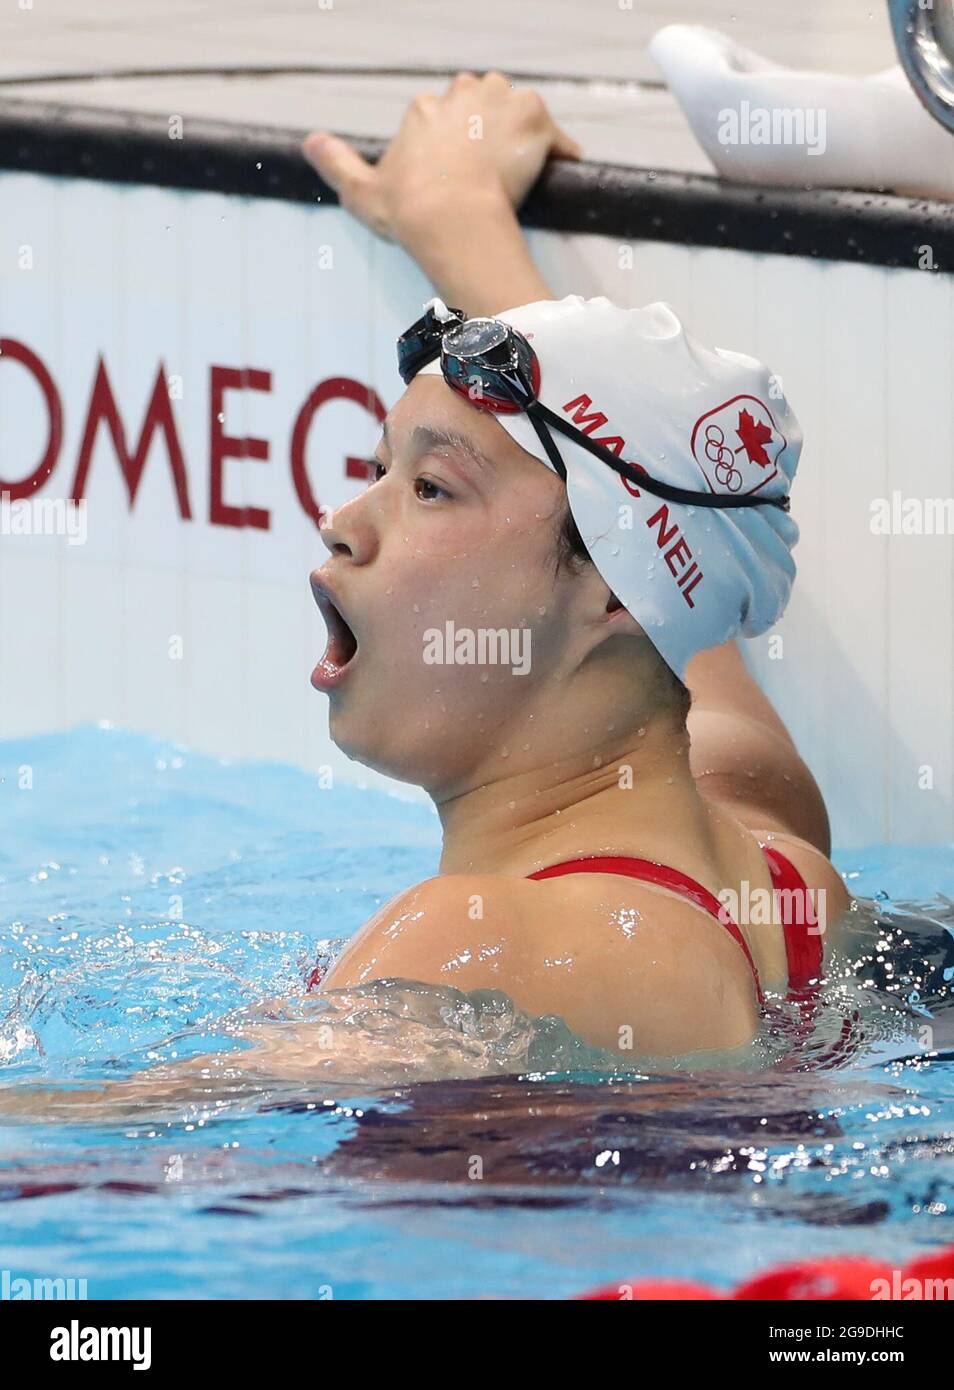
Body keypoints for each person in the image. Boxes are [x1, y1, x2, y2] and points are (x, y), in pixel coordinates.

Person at [300, 72, 851, 1060]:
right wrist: (456, 218)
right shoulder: (783, 868)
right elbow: (676, 579)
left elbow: (97, 1155)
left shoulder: (461, 945)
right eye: (378, 471)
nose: (342, 521)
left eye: (431, 488)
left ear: (608, 588)